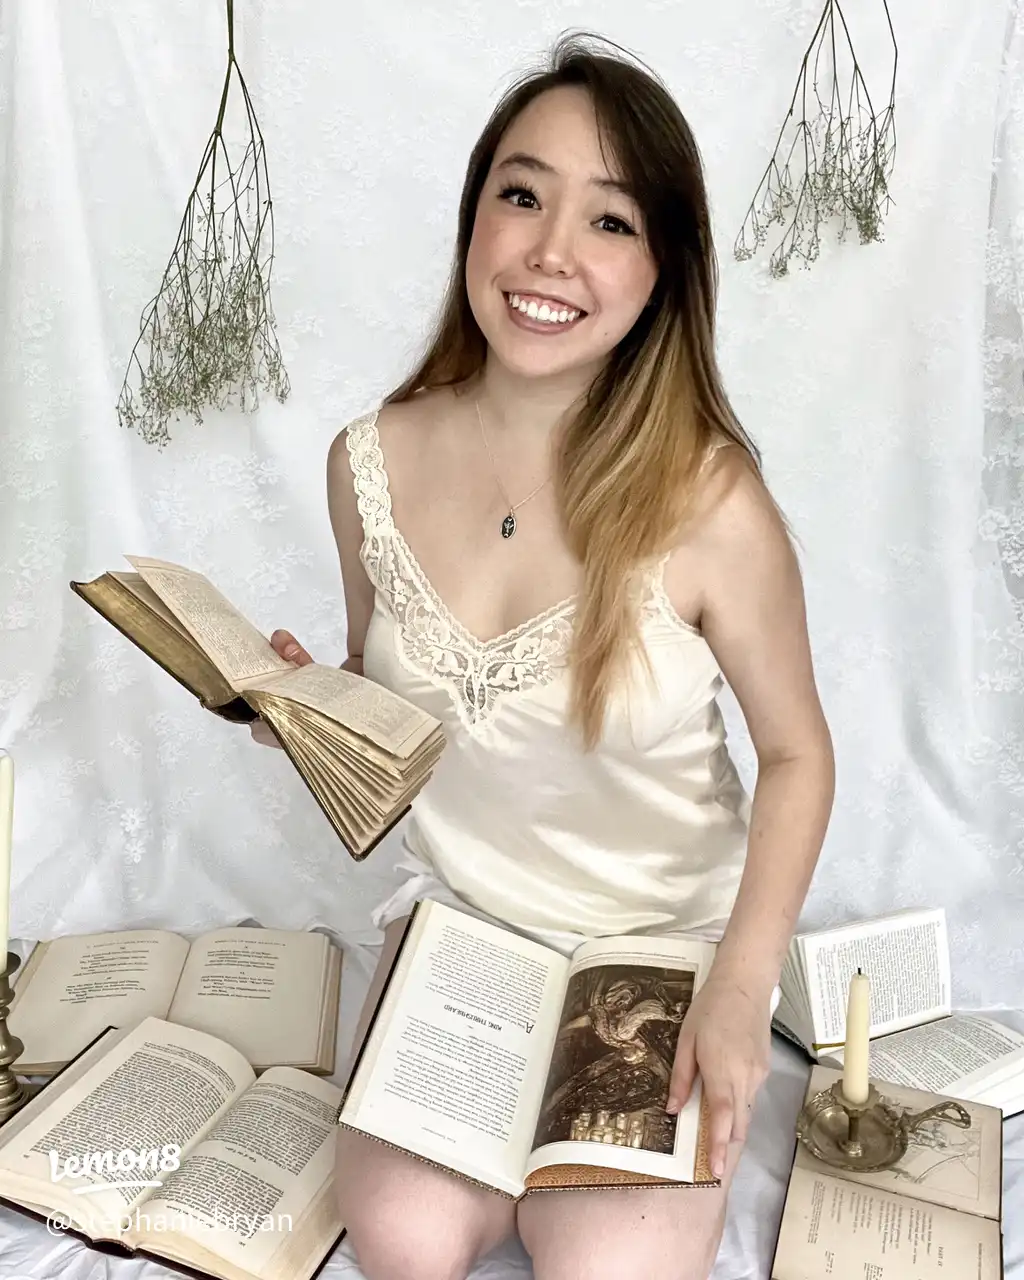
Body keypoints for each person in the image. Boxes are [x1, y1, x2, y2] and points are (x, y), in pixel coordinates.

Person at [252, 31, 835, 1280]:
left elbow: (795, 753)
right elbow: (402, 715)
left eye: (609, 220)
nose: (549, 252)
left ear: (664, 268)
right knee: (404, 1243)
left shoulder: (712, 501)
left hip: (655, 944)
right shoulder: (370, 461)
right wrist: (298, 705)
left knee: (605, 1267)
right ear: (474, 216)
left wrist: (738, 987)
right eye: (521, 194)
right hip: (467, 931)